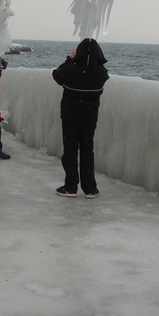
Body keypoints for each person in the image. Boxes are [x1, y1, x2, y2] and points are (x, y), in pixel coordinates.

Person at [52, 38, 109, 198]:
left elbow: (57, 76)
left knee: (70, 149)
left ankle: (71, 186)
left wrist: (70, 59)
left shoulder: (71, 69)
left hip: (70, 114)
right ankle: (90, 188)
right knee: (87, 148)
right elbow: (102, 73)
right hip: (90, 116)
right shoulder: (101, 72)